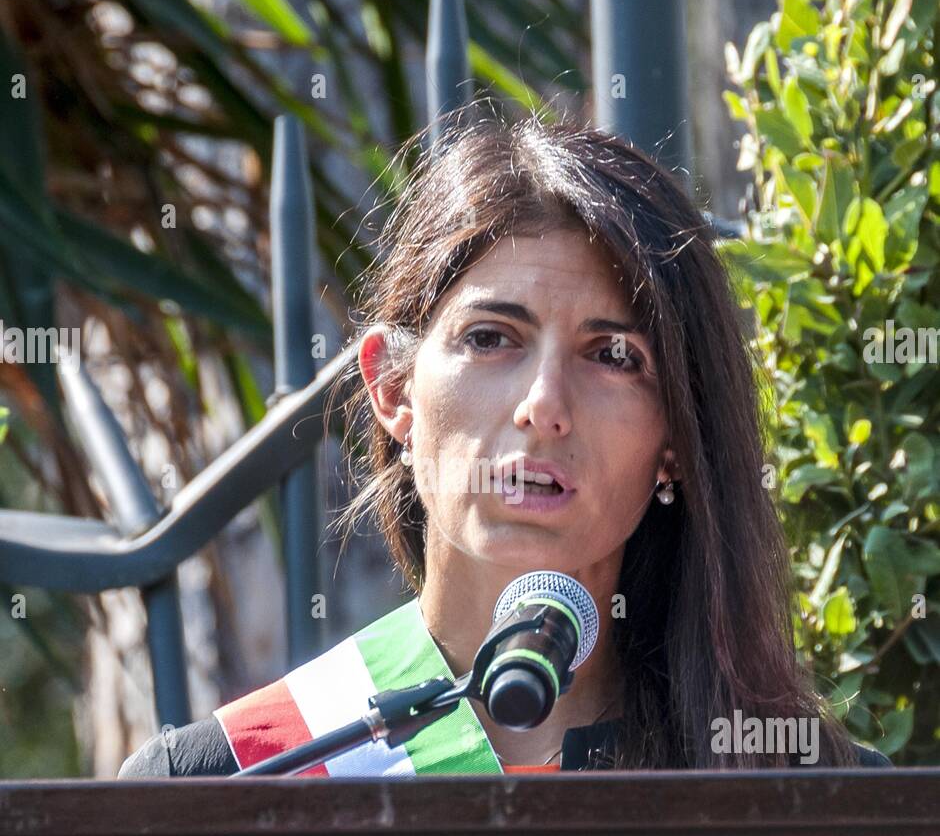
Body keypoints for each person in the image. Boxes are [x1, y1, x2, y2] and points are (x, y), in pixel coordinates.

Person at [119, 112, 891, 778]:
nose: (543, 406)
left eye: (614, 356)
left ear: (675, 446)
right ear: (393, 391)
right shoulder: (230, 785)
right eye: (491, 338)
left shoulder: (813, 804)